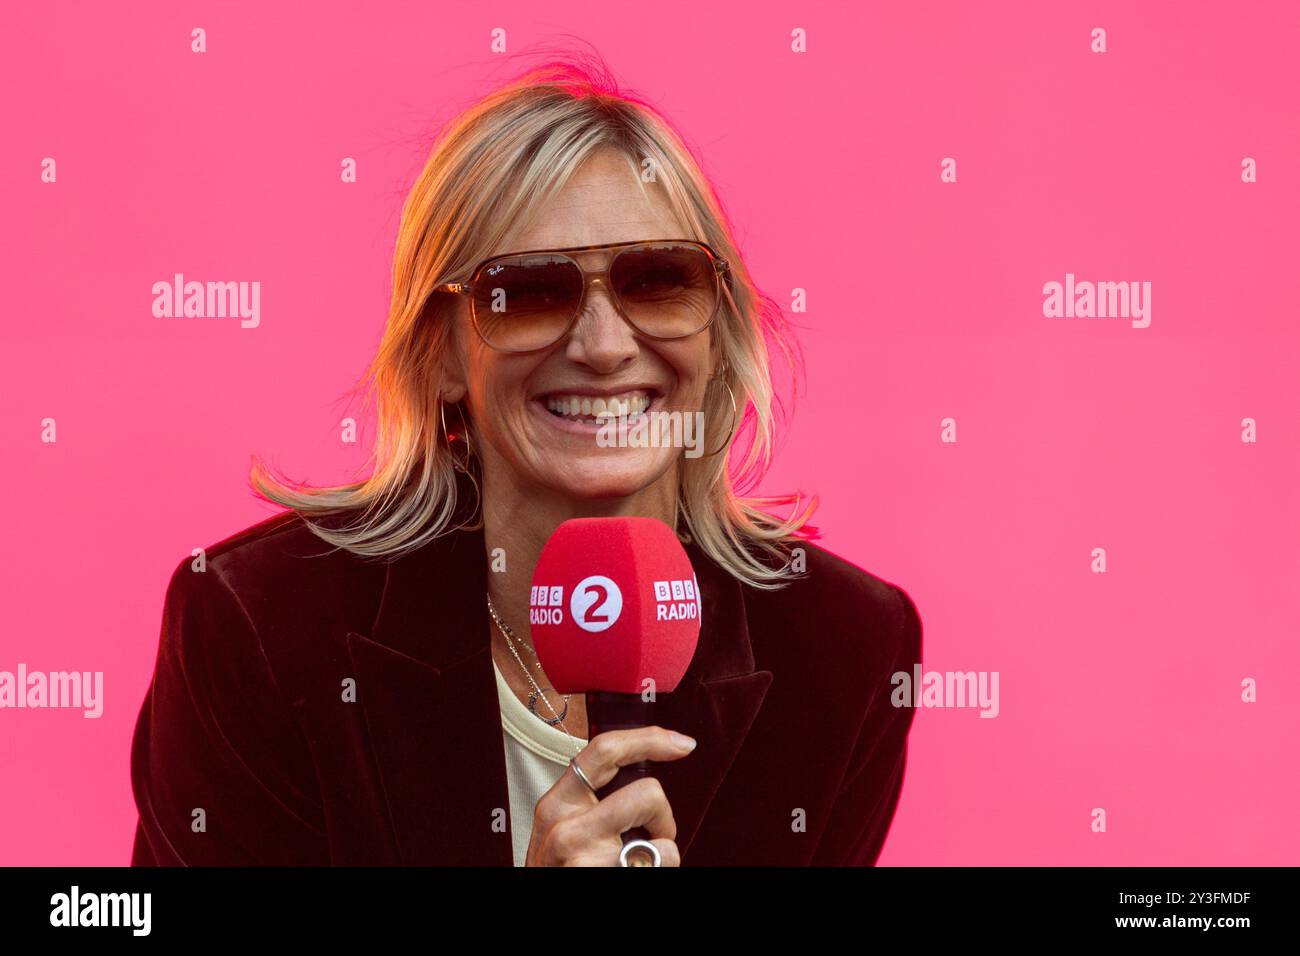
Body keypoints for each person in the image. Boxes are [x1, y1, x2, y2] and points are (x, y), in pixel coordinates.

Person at [129, 56, 923, 867]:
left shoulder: (843, 648)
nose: (605, 346)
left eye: (657, 280)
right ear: (440, 356)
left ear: (716, 333)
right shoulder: (260, 626)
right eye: (532, 292)